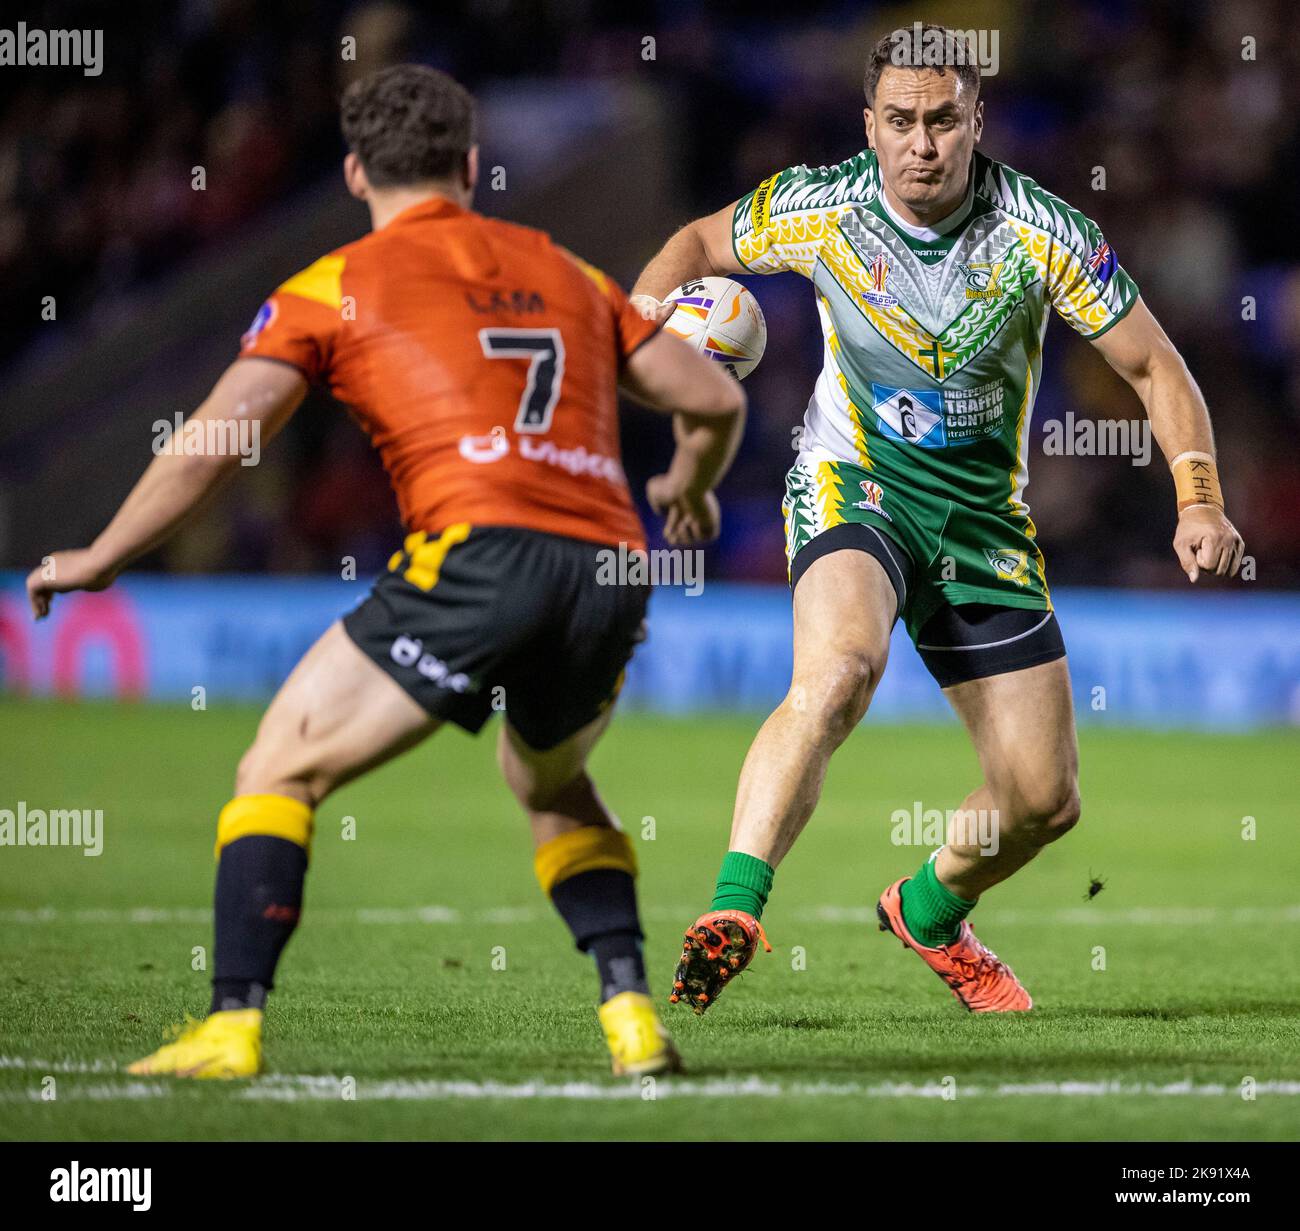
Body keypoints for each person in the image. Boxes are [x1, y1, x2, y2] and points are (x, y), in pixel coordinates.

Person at [27, 64, 746, 1076]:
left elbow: (214, 439)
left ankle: (232, 1026)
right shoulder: (572, 273)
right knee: (549, 779)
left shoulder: (330, 286)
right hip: (611, 565)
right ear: (472, 166)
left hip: (480, 552)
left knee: (277, 768)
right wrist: (689, 480)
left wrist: (105, 552)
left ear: (358, 173)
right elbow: (712, 398)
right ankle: (630, 1014)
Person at [628, 24, 1244, 1016]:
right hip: (855, 482)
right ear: (869, 127)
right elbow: (698, 243)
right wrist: (644, 320)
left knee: (1044, 800)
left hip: (983, 522)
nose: (923, 144)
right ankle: (734, 906)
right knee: (837, 673)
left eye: (944, 121)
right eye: (903, 122)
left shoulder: (1040, 231)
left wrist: (1199, 497)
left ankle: (927, 907)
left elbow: (1150, 363)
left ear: (976, 123)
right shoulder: (819, 207)